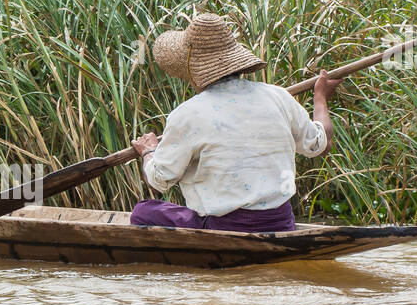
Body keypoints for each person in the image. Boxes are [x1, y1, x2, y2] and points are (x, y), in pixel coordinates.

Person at [129, 12, 339, 233]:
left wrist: (148, 152)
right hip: (281, 222)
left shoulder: (187, 115)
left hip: (225, 227)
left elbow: (159, 181)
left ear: (191, 70)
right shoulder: (278, 97)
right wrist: (320, 97)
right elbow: (321, 145)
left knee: (143, 211)